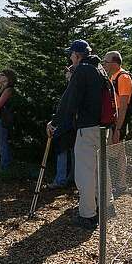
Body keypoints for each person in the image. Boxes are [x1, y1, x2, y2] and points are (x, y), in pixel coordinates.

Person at [48, 40, 113, 229]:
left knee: (84, 173)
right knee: (101, 170)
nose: (69, 57)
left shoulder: (82, 71)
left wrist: (55, 122)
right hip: (103, 129)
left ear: (77, 55)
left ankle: (87, 215)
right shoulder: (99, 69)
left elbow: (70, 100)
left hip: (87, 129)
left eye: (71, 54)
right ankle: (106, 207)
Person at [103, 51, 132, 195]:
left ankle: (120, 185)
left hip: (118, 123)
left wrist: (118, 129)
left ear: (115, 63)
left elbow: (123, 105)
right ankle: (119, 184)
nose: (104, 64)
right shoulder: (114, 77)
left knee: (118, 154)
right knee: (117, 153)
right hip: (114, 122)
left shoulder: (123, 78)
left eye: (106, 62)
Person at [0, 69, 17, 172]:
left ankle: (5, 166)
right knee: (1, 142)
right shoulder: (3, 88)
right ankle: (5, 163)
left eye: (2, 75)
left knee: (3, 142)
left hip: (3, 118)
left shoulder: (8, 90)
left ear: (7, 77)